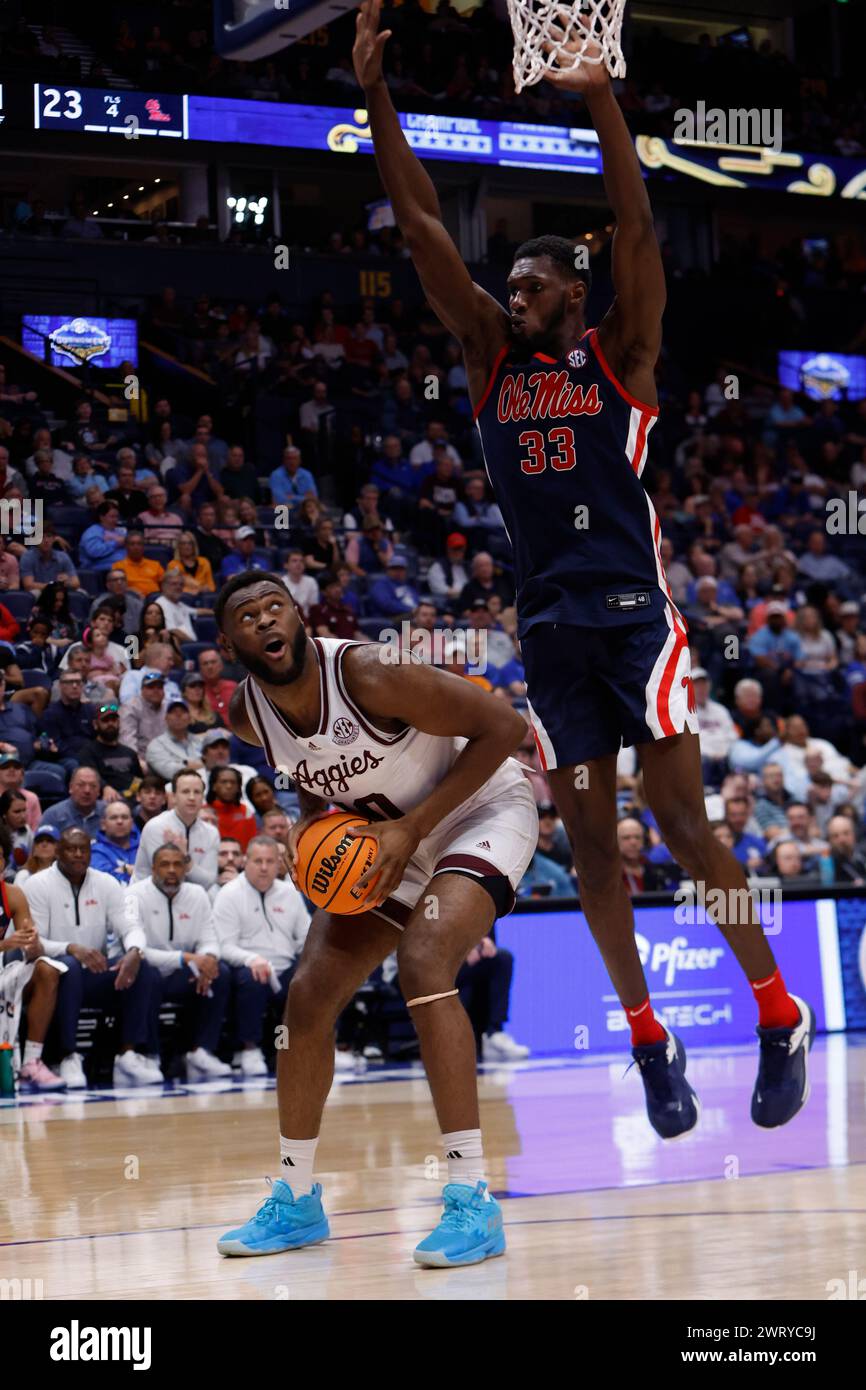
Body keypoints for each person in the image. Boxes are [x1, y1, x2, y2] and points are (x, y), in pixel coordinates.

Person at [354, 0, 814, 1153]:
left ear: (572, 290)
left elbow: (639, 226)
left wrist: (603, 95)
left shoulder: (625, 355)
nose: (511, 289)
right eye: (505, 278)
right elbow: (418, 226)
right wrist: (377, 98)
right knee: (594, 850)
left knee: (685, 829)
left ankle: (775, 1010)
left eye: (531, 279)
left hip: (631, 619)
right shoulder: (485, 362)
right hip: (550, 628)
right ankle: (648, 1040)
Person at [213, 569, 536, 1267]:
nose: (266, 621)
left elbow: (505, 726)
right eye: (248, 617)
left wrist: (416, 828)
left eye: (277, 607)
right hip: (384, 842)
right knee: (308, 996)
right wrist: (307, 830)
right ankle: (296, 1199)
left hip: (479, 814)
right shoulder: (246, 714)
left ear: (300, 619)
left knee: (423, 962)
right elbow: (309, 769)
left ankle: (471, 1197)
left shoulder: (368, 671)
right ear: (229, 641)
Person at [22, 828, 157, 1088]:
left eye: (83, 849)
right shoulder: (37, 884)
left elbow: (130, 926)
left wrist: (134, 952)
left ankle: (127, 1056)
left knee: (143, 968)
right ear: (59, 852)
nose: (78, 854)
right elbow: (33, 944)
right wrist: (71, 947)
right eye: (71, 849)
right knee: (69, 966)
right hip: (48, 975)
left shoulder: (106, 883)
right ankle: (68, 1056)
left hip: (92, 973)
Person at [128, 842, 231, 1080]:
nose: (172, 870)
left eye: (177, 864)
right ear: (153, 868)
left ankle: (200, 1052)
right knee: (146, 973)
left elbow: (210, 938)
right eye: (165, 865)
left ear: (186, 868)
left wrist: (208, 959)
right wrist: (185, 958)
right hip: (145, 974)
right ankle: (149, 1055)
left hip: (180, 974)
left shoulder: (197, 894)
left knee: (220, 972)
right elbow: (137, 950)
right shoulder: (134, 895)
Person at [213, 836, 310, 1076]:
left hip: (286, 965)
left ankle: (292, 1048)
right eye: (258, 861)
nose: (264, 867)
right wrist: (251, 959)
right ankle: (250, 1049)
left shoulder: (290, 893)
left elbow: (306, 937)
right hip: (247, 966)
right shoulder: (229, 894)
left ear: (279, 864)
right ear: (246, 862)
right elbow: (224, 946)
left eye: (270, 861)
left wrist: (309, 964)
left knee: (310, 980)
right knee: (252, 979)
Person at [0, 826, 67, 1091]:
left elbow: (31, 948)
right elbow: (7, 944)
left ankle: (32, 1061)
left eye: (0, 857)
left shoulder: (13, 894)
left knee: (47, 969)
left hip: (3, 975)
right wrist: (5, 944)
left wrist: (33, 943)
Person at [133, 768, 219, 890]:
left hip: (189, 897)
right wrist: (192, 868)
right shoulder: (156, 827)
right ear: (173, 797)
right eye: (185, 791)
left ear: (202, 797)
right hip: (147, 895)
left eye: (197, 792)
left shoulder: (211, 832)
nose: (192, 797)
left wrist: (184, 857)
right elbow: (165, 877)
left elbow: (208, 882)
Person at [454, 934, 529, 1061]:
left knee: (502, 958)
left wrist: (481, 941)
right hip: (441, 959)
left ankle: (493, 1033)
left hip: (470, 954)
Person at [78, 702, 142, 799]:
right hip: (105, 799)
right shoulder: (88, 752)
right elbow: (91, 777)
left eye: (114, 720)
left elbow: (138, 779)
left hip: (131, 798)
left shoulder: (130, 753)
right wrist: (105, 787)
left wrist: (131, 793)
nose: (110, 724)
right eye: (105, 720)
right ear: (95, 724)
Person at [145, 698, 204, 781]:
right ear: (166, 718)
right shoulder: (156, 745)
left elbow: (214, 764)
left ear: (190, 718)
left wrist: (183, 764)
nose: (178, 715)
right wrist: (202, 765)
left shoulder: (200, 741)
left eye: (183, 712)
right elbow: (171, 772)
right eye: (173, 712)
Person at [207, 765, 258, 851]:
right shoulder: (203, 813)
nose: (229, 786)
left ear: (238, 787)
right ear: (214, 786)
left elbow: (252, 845)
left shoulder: (246, 812)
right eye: (223, 782)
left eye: (233, 782)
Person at [90, 801, 141, 884]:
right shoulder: (95, 851)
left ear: (132, 823)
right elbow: (104, 881)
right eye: (114, 818)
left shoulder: (142, 848)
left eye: (124, 817)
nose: (120, 821)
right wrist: (128, 869)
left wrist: (123, 870)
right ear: (103, 824)